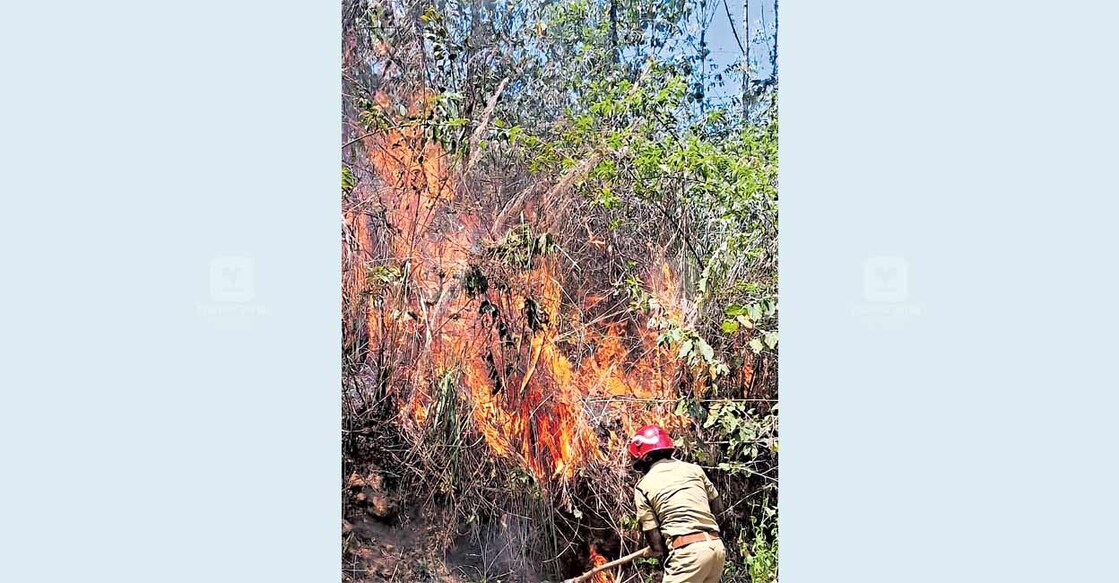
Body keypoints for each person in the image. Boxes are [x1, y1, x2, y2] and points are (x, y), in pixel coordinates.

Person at [628, 424, 727, 583]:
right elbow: (719, 512)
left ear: (646, 458)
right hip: (716, 549)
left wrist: (656, 549)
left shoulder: (642, 487)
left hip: (688, 556)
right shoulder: (694, 470)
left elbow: (656, 543)